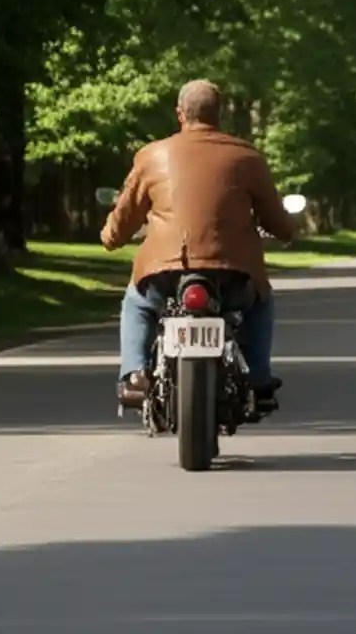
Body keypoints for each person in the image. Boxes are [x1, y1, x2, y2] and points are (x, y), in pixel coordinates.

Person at [101, 79, 297, 407]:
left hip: (163, 274)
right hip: (233, 274)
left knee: (137, 303)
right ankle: (259, 379)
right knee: (260, 301)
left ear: (180, 113)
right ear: (219, 114)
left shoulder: (151, 156)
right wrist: (288, 230)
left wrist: (110, 237)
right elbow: (276, 219)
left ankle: (134, 373)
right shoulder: (247, 157)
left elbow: (125, 215)